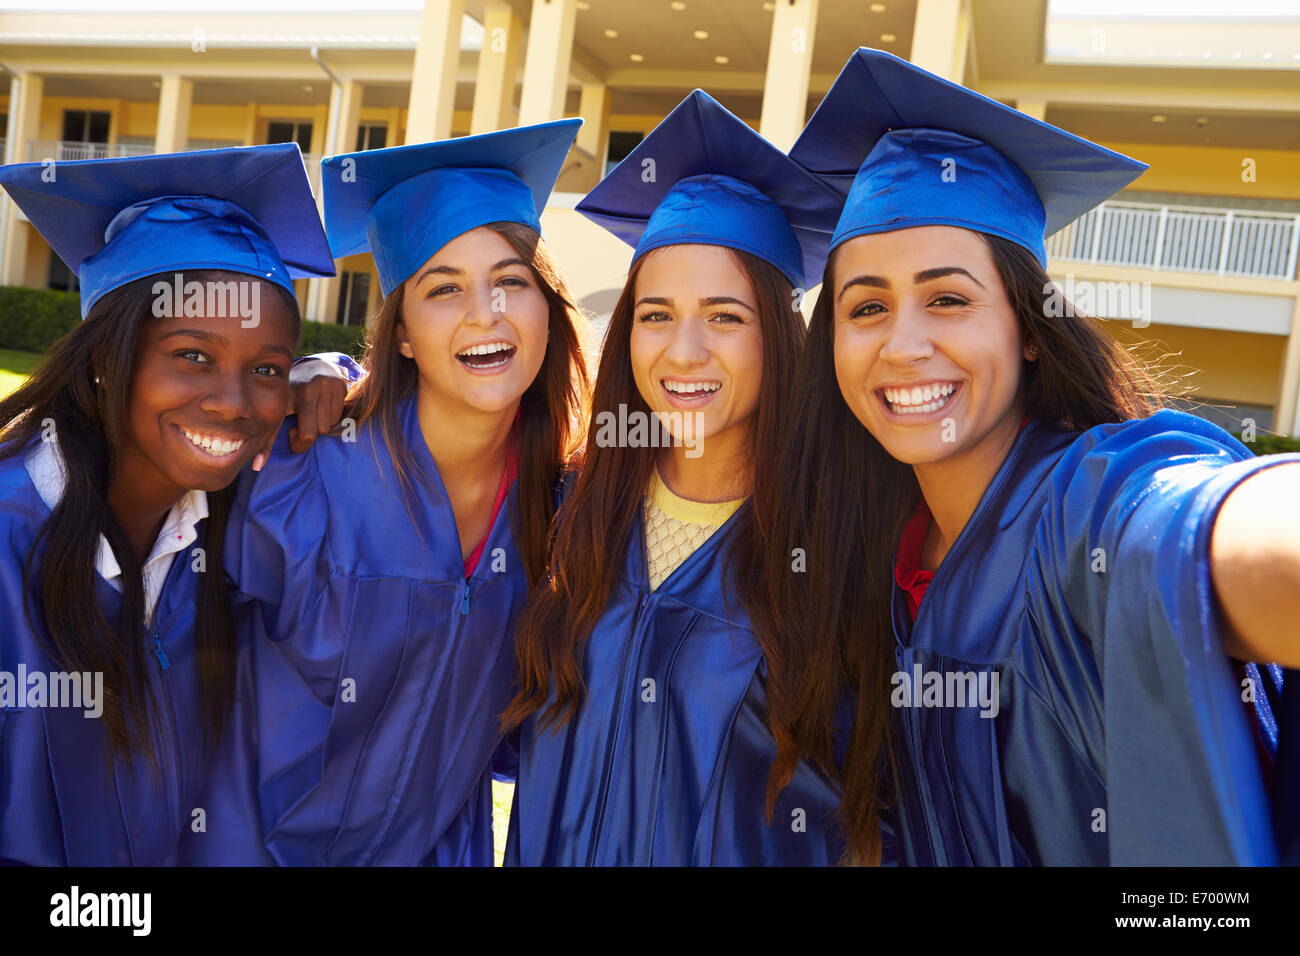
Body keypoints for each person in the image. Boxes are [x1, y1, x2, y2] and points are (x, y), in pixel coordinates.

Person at [760, 47, 1300, 865]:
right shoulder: (871, 558)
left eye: (948, 298)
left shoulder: (1089, 504)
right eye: (865, 306)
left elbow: (1199, 525)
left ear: (1031, 330)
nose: (903, 345)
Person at [184, 120, 591, 865]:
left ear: (546, 310)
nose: (484, 312)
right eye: (443, 289)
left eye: (511, 281)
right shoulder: (299, 474)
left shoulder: (565, 517)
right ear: (401, 333)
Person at [502, 91, 848, 865]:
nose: (683, 352)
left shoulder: (830, 553)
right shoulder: (571, 506)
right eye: (655, 315)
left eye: (724, 316)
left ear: (778, 336)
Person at [0, 144, 334, 865]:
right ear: (103, 356)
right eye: (192, 355)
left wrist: (336, 376)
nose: (234, 402)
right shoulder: (8, 539)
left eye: (268, 369)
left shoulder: (215, 541)